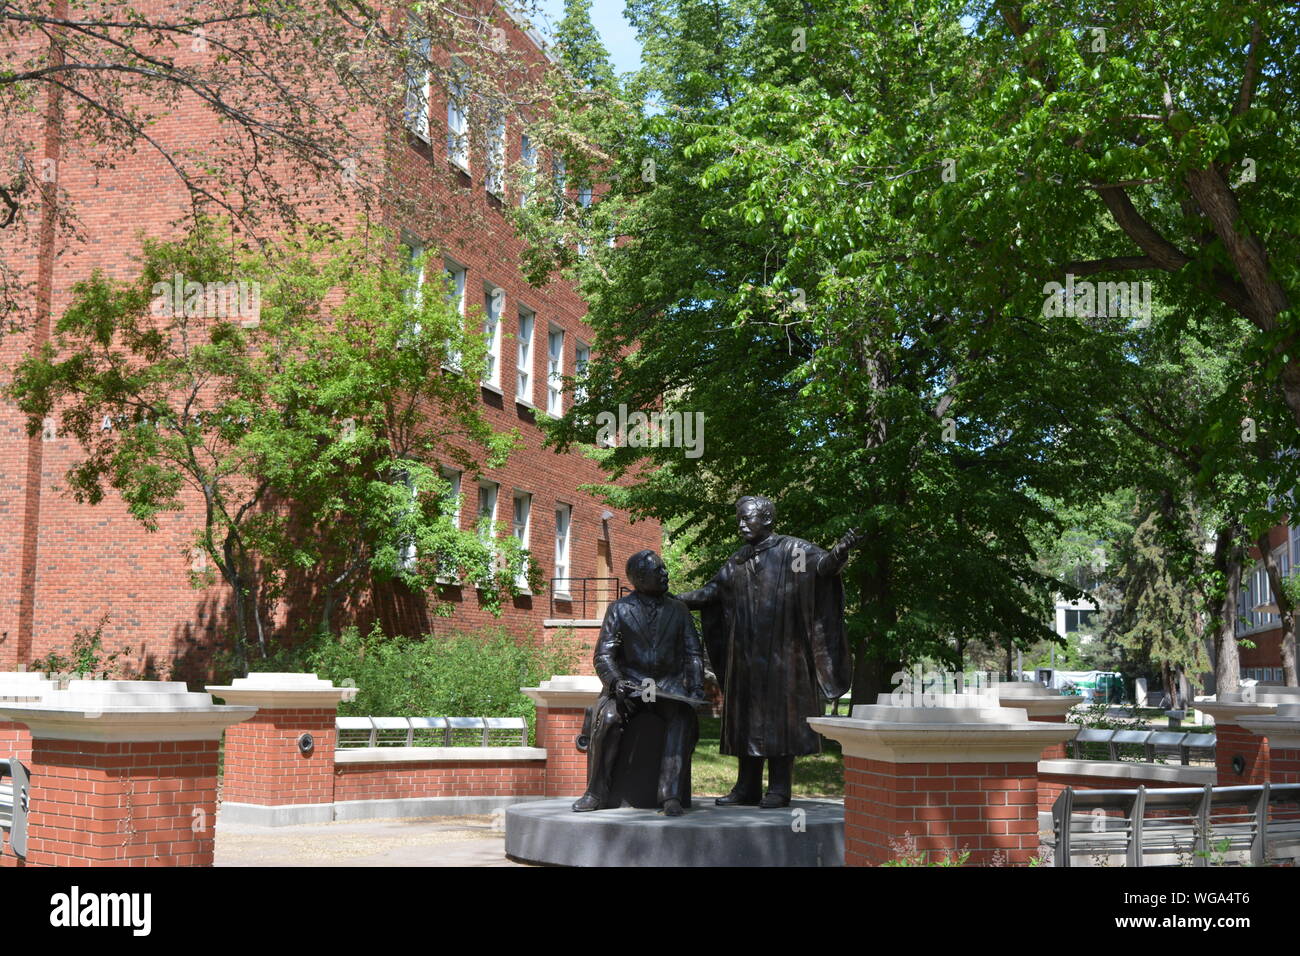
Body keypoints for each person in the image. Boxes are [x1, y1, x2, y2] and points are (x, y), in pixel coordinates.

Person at [677, 495, 858, 808]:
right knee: (745, 720)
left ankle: (779, 788)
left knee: (780, 722)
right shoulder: (736, 562)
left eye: (748, 518)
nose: (742, 524)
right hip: (744, 659)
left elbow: (823, 569)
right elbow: (712, 592)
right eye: (739, 519)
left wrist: (840, 553)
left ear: (768, 519)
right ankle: (746, 787)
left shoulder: (793, 552)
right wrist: (672, 599)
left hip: (783, 660)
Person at [572, 550, 704, 816]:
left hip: (668, 689)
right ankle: (596, 792)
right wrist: (616, 681)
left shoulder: (678, 610)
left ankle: (670, 796)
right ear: (640, 578)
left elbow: (693, 653)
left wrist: (696, 689)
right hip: (630, 688)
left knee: (681, 719)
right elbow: (603, 655)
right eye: (659, 571)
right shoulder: (618, 610)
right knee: (608, 718)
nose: (666, 574)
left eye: (664, 569)